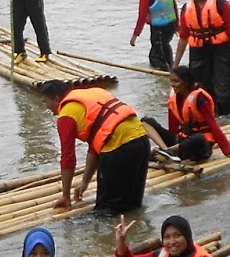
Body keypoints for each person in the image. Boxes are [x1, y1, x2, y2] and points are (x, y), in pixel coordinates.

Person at [41, 80, 150, 213]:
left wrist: (65, 196)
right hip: (142, 141)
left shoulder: (66, 115)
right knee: (133, 206)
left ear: (57, 99)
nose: (46, 107)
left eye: (46, 102)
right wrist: (85, 182)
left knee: (106, 212)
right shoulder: (94, 93)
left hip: (118, 148)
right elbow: (95, 146)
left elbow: (68, 157)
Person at [174, 0, 230, 115]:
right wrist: (175, 65)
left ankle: (228, 120)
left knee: (224, 94)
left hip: (221, 50)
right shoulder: (186, 9)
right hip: (198, 52)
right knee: (202, 91)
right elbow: (183, 38)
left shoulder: (221, 4)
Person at [142, 66, 230, 163]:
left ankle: (168, 152)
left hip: (200, 145)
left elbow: (213, 125)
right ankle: (167, 151)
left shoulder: (200, 98)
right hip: (182, 141)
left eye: (176, 81)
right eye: (171, 81)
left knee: (198, 138)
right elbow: (173, 127)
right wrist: (170, 139)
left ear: (186, 82)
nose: (172, 85)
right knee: (145, 122)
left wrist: (227, 150)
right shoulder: (174, 98)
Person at [129, 0, 177, 71]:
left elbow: (142, 13)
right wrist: (177, 25)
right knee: (163, 50)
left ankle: (167, 78)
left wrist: (135, 35)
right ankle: (170, 73)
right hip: (170, 25)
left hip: (159, 28)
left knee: (158, 59)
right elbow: (173, 3)